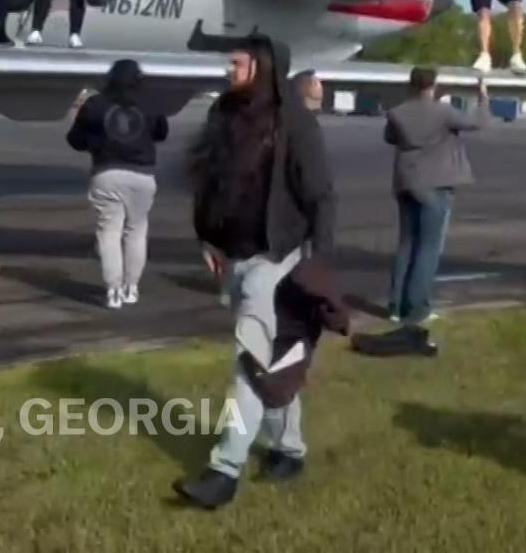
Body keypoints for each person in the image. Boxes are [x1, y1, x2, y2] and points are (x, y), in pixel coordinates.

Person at [178, 34, 337, 510]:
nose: (229, 70)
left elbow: (322, 195)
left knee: (248, 363)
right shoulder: (223, 114)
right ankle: (289, 449)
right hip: (233, 258)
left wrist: (319, 261)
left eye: (237, 63)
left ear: (262, 66)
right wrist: (205, 236)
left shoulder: (295, 122)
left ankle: (223, 470)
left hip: (276, 260)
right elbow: (207, 180)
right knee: (273, 362)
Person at [383, 68, 488, 326]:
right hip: (435, 184)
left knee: (406, 244)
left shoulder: (397, 113)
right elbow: (479, 123)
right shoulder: (442, 111)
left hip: (406, 182)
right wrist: (483, 96)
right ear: (433, 85)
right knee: (428, 248)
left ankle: (396, 306)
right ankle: (417, 308)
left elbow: (389, 138)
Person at [66, 59, 169, 310]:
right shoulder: (150, 103)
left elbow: (75, 140)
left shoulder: (95, 104)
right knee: (136, 231)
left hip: (107, 173)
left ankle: (113, 290)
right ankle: (131, 287)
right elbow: (161, 133)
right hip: (143, 175)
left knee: (109, 232)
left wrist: (94, 141)